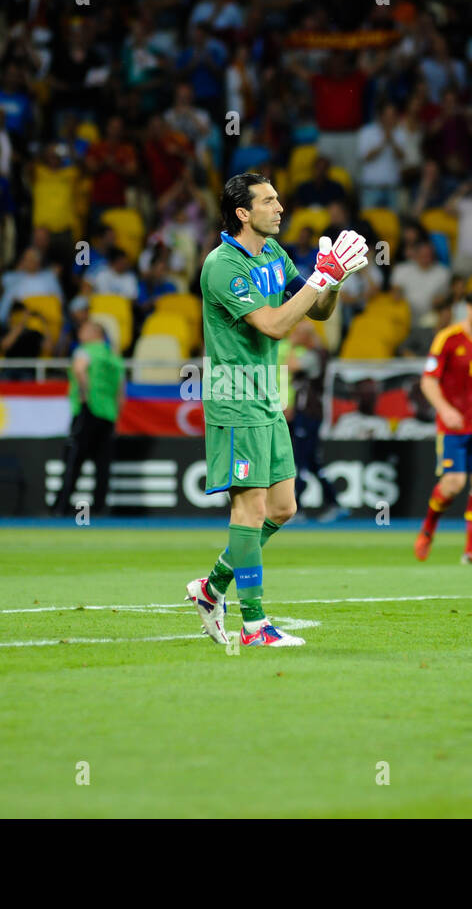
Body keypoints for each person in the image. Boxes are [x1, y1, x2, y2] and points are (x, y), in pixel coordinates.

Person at [187, 172, 366, 648]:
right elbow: (273, 324)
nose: (280, 207)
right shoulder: (222, 265)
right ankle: (254, 626)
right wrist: (320, 277)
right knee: (249, 511)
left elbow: (317, 311)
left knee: (283, 508)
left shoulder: (273, 253)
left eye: (278, 199)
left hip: (267, 396)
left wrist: (333, 282)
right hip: (234, 397)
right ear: (242, 213)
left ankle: (211, 588)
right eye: (268, 201)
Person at [414, 287, 472, 565]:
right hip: (453, 426)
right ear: (469, 308)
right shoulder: (447, 338)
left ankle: (471, 551)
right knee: (454, 484)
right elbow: (428, 381)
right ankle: (428, 528)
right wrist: (445, 409)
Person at [51, 320, 126, 518]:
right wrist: (116, 416)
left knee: (74, 459)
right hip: (108, 415)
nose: (80, 332)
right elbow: (121, 392)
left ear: (95, 333)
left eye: (83, 329)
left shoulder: (85, 351)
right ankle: (99, 508)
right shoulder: (114, 358)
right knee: (103, 464)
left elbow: (79, 369)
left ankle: (61, 507)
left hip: (88, 410)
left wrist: (84, 394)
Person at [285, 320, 343, 522]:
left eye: (298, 333)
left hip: (308, 414)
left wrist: (291, 345)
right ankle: (334, 503)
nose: (294, 336)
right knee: (312, 462)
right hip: (311, 413)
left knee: (300, 461)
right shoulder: (320, 354)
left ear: (307, 336)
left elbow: (290, 366)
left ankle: (297, 508)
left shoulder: (313, 356)